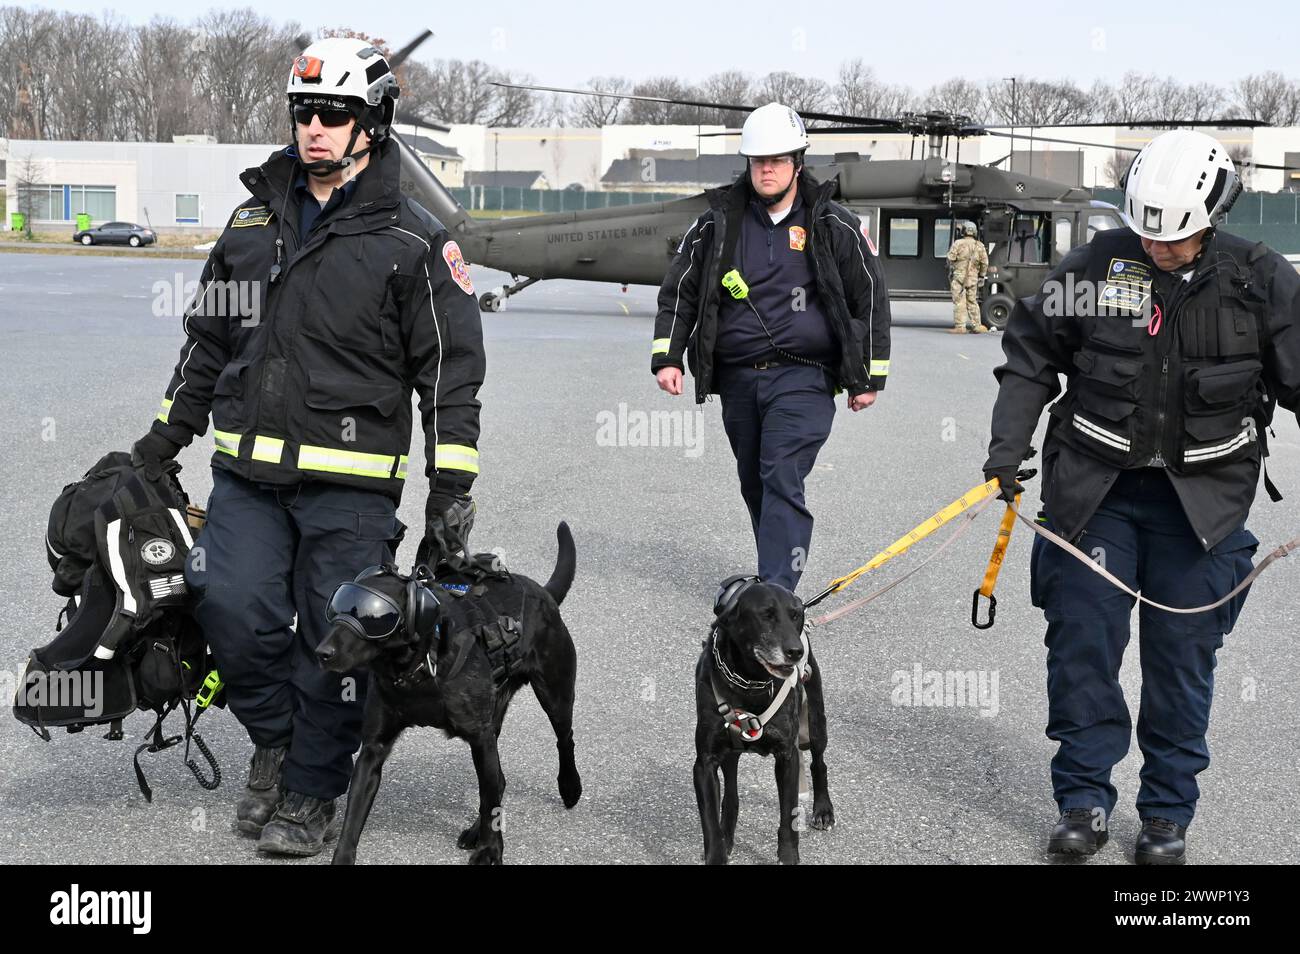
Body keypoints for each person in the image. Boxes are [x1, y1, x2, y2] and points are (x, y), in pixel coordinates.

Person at [130, 36, 486, 857]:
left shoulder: (415, 239)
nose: (315, 128)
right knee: (229, 609)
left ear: (373, 122)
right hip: (247, 475)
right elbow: (207, 343)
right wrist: (163, 440)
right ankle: (280, 744)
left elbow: (450, 374)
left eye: (335, 113)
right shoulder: (251, 221)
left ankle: (312, 793)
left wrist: (451, 488)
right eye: (304, 112)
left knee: (339, 639)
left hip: (351, 487)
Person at [983, 129, 1300, 864]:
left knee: (1181, 660)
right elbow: (1031, 355)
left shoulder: (1260, 279)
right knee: (1084, 648)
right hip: (1096, 492)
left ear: (1213, 214)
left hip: (1202, 507)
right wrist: (1008, 448)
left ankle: (1165, 814)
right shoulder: (1095, 266)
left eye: (1177, 238)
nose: (1159, 250)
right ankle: (1084, 800)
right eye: (1150, 236)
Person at [651, 102, 891, 592]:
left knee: (781, 469)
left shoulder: (833, 224)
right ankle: (772, 574)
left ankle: (778, 592)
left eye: (777, 160)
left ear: (797, 163)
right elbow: (682, 290)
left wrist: (868, 376)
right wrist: (668, 357)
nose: (767, 169)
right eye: (758, 160)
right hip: (739, 377)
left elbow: (870, 296)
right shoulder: (717, 224)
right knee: (754, 481)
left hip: (805, 376)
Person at [947, 221, 989, 334]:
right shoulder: (979, 245)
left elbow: (951, 258)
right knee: (972, 301)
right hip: (973, 278)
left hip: (959, 277)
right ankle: (977, 325)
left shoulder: (958, 243)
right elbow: (985, 263)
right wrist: (981, 275)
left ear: (963, 231)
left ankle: (960, 326)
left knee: (959, 301)